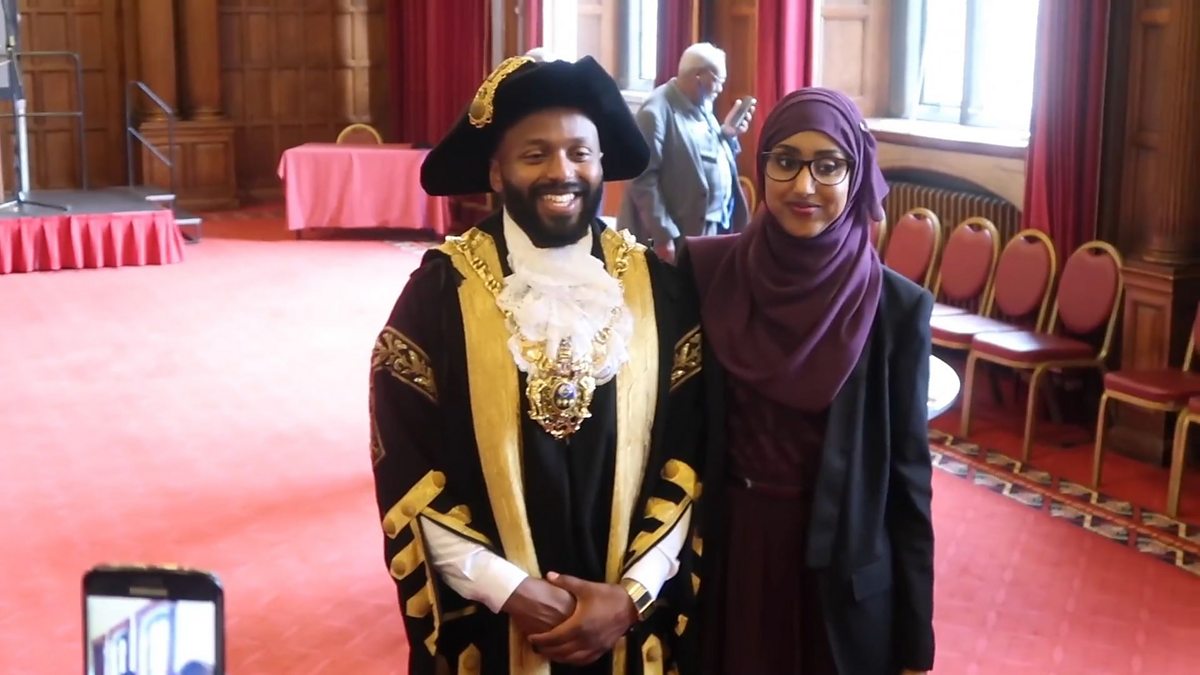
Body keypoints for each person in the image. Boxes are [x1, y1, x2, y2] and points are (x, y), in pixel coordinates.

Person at [370, 55, 705, 675]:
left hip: (630, 624)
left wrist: (629, 598)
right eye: (535, 154)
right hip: (495, 625)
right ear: (496, 173)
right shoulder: (439, 295)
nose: (562, 172)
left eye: (581, 153)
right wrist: (510, 589)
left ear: (603, 164)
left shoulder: (662, 290)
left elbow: (690, 455)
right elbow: (407, 468)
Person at [681, 88, 935, 674]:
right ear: (761, 163)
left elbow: (908, 484)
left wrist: (915, 641)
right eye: (786, 160)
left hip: (840, 574)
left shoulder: (895, 309)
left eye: (828, 166)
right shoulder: (705, 274)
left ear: (856, 173)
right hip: (727, 553)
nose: (803, 186)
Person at [617, 42, 753, 262]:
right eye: (718, 81)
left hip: (710, 230)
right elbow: (642, 178)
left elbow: (708, 157)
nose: (720, 89)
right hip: (673, 239)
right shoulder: (655, 111)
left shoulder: (701, 105)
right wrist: (663, 236)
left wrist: (728, 134)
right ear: (699, 76)